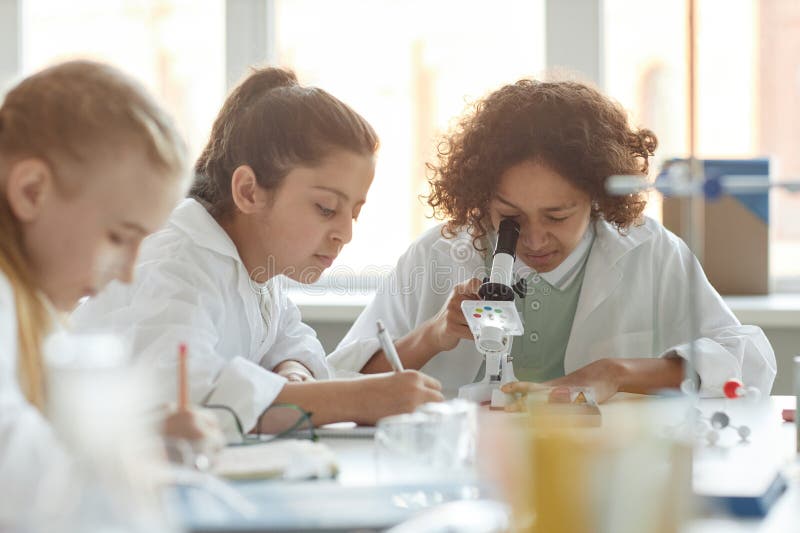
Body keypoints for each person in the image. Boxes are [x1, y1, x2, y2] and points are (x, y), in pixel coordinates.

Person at [329, 79, 776, 402]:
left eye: (558, 216)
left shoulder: (649, 251)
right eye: (510, 217)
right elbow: (338, 381)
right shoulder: (443, 253)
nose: (535, 239)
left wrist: (616, 373)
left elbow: (749, 360)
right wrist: (435, 334)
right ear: (481, 199)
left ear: (597, 199)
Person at [72, 66, 443, 439]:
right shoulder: (174, 263)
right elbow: (191, 399)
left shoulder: (258, 265)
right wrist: (356, 399)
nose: (345, 233)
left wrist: (294, 374)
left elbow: (291, 338)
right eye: (327, 209)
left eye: (355, 213)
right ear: (249, 191)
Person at [0, 60, 224, 523]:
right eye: (119, 237)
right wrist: (123, 455)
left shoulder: (30, 303)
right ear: (31, 190)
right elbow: (32, 490)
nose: (126, 273)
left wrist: (139, 438)